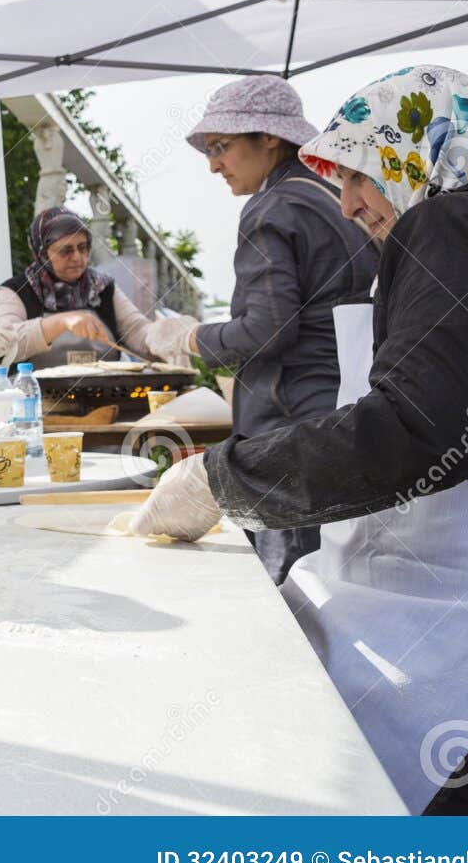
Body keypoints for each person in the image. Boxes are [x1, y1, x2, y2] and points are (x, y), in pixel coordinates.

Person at [127, 65, 468, 814]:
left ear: (424, 151)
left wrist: (222, 479)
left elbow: (411, 429)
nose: (349, 202)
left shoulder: (456, 222)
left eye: (362, 172)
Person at [140, 75, 380, 583]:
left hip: (287, 424)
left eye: (221, 147)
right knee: (338, 579)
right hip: (351, 413)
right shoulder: (340, 200)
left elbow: (268, 331)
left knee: (290, 587)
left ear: (269, 138)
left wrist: (189, 338)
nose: (213, 165)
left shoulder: (271, 207)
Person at [0, 206, 162, 370]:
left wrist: (173, 337)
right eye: (65, 251)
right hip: (35, 402)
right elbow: (0, 345)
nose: (77, 257)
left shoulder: (104, 287)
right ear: (42, 254)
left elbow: (137, 330)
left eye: (83, 248)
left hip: (108, 398)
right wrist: (60, 322)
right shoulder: (16, 291)